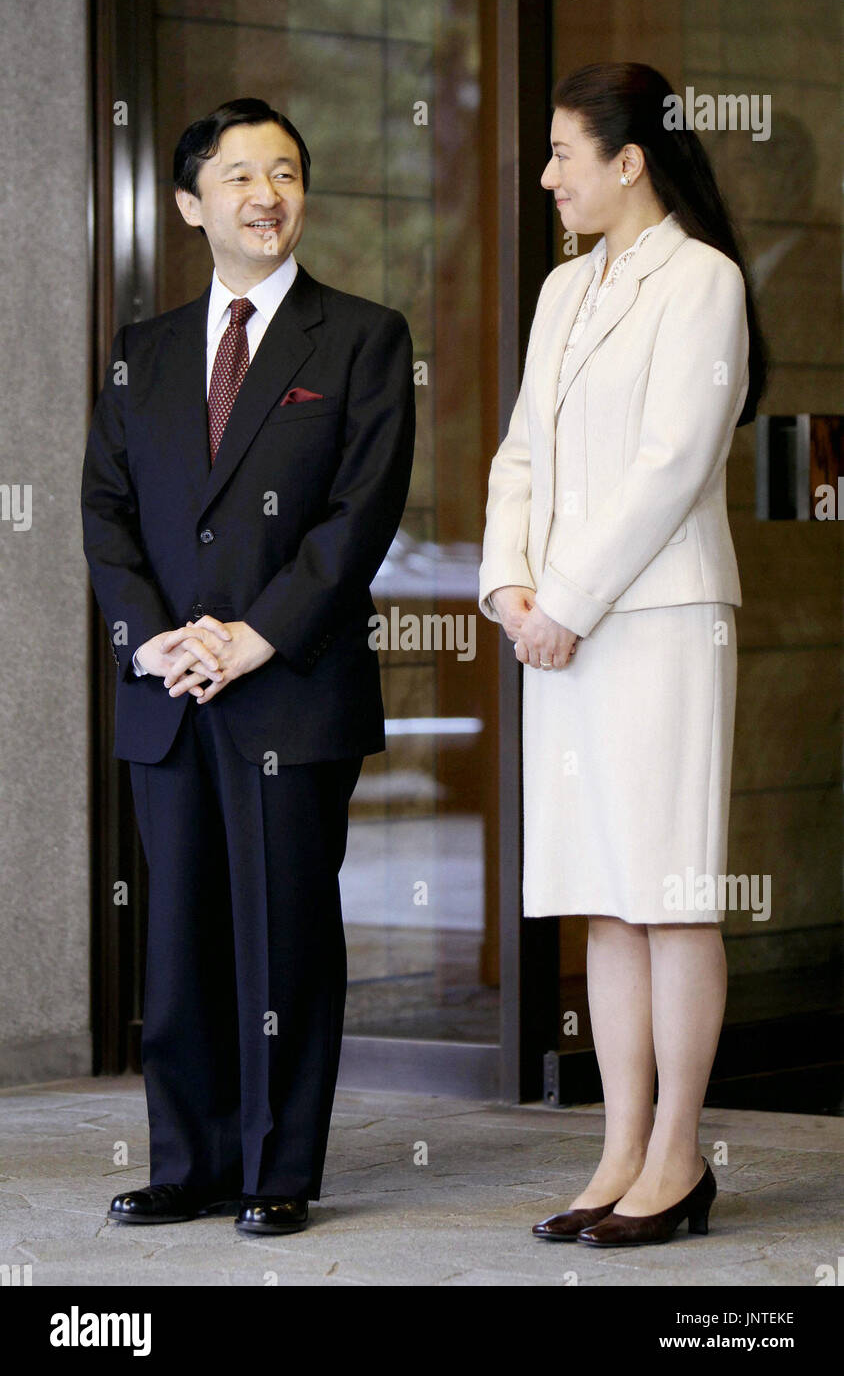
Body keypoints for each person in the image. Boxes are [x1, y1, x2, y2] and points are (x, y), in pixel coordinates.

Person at [81, 98, 415, 1236]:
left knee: (282, 936)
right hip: (168, 691)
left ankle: (276, 1169)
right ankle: (189, 1160)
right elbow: (106, 513)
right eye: (237, 176)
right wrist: (154, 638)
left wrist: (252, 635)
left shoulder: (363, 337)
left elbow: (357, 516)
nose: (265, 194)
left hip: (291, 686)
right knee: (176, 944)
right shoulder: (144, 352)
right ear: (190, 205)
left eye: (283, 172)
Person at [479, 62, 768, 1247]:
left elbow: (671, 465)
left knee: (670, 894)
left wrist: (572, 600)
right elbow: (519, 452)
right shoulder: (562, 291)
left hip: (655, 625)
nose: (548, 177)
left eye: (561, 154)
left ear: (627, 160)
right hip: (562, 628)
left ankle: (679, 1154)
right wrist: (506, 583)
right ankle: (617, 1147)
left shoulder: (703, 281)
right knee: (604, 897)